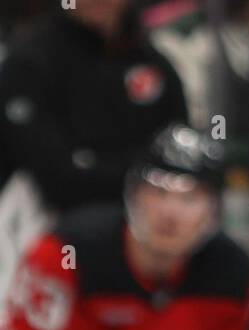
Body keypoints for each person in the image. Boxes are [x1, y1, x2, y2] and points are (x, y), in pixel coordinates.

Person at [0, 125, 249, 330]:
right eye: (158, 193)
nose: (170, 212)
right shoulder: (68, 254)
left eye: (190, 197)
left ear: (214, 211)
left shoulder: (231, 273)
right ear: (132, 196)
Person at [0, 0, 187, 215]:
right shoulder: (29, 63)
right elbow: (56, 178)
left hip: (148, 224)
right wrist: (140, 171)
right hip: (51, 227)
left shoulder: (153, 63)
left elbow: (178, 160)